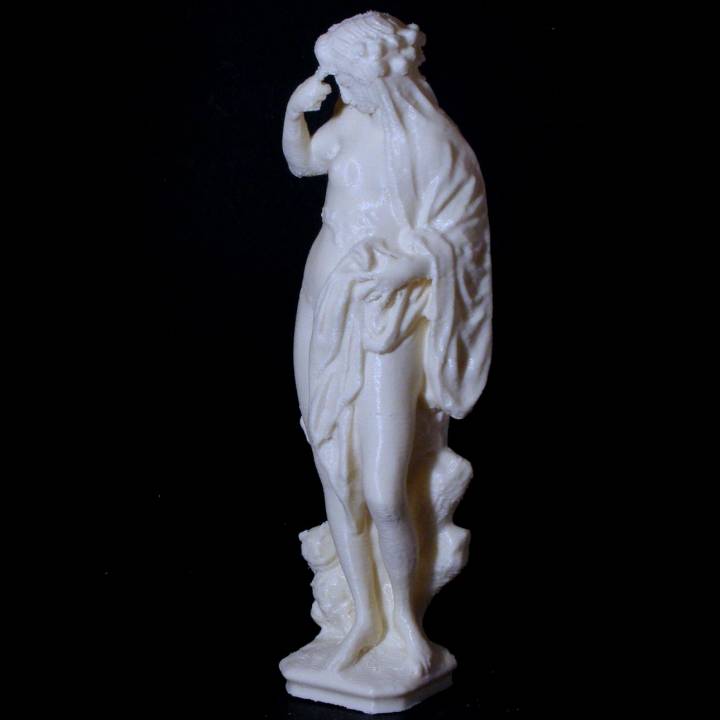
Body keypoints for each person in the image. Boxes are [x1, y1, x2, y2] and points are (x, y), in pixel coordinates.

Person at [282, 11, 492, 677]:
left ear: (379, 73)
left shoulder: (433, 142)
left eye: (346, 76)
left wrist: (410, 267)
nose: (339, 88)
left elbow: (467, 237)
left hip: (389, 315)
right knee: (334, 472)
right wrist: (295, 113)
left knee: (382, 486)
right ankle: (363, 620)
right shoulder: (348, 125)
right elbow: (303, 162)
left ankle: (405, 624)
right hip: (325, 302)